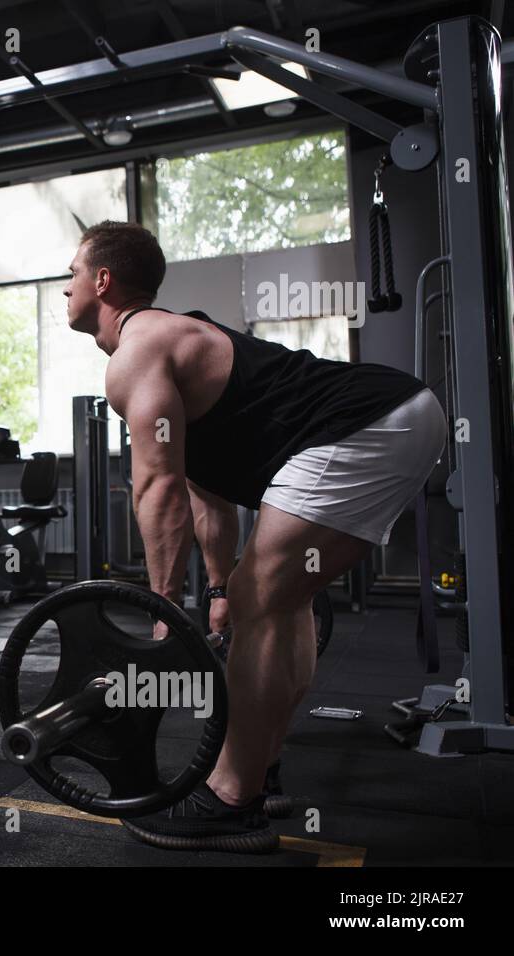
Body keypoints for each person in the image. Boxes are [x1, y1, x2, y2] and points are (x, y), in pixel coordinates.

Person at [64, 220, 446, 853]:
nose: (64, 290)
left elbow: (155, 487)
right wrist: (216, 586)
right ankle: (259, 771)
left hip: (362, 427)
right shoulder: (176, 342)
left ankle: (227, 798)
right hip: (399, 420)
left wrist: (163, 614)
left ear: (102, 282)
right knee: (272, 599)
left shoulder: (137, 349)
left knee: (263, 597)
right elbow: (203, 496)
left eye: (71, 275)